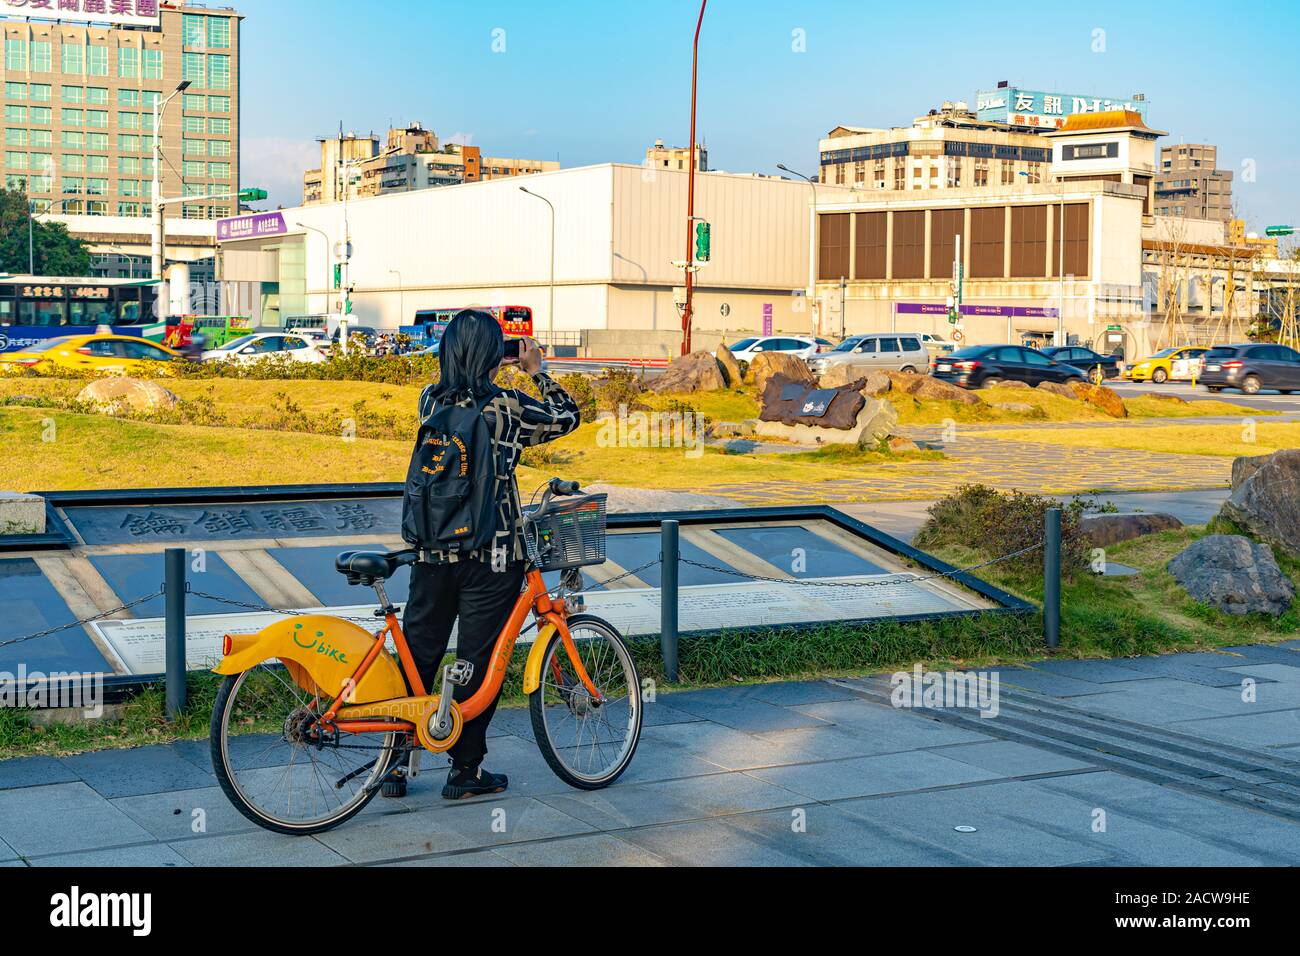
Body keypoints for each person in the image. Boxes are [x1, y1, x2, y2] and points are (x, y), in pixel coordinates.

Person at [390, 309, 579, 800]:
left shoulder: (429, 401)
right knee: (477, 660)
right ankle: (465, 771)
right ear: (498, 355)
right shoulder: (507, 408)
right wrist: (537, 371)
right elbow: (567, 418)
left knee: (417, 656)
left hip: (431, 553)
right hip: (493, 555)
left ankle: (392, 764)